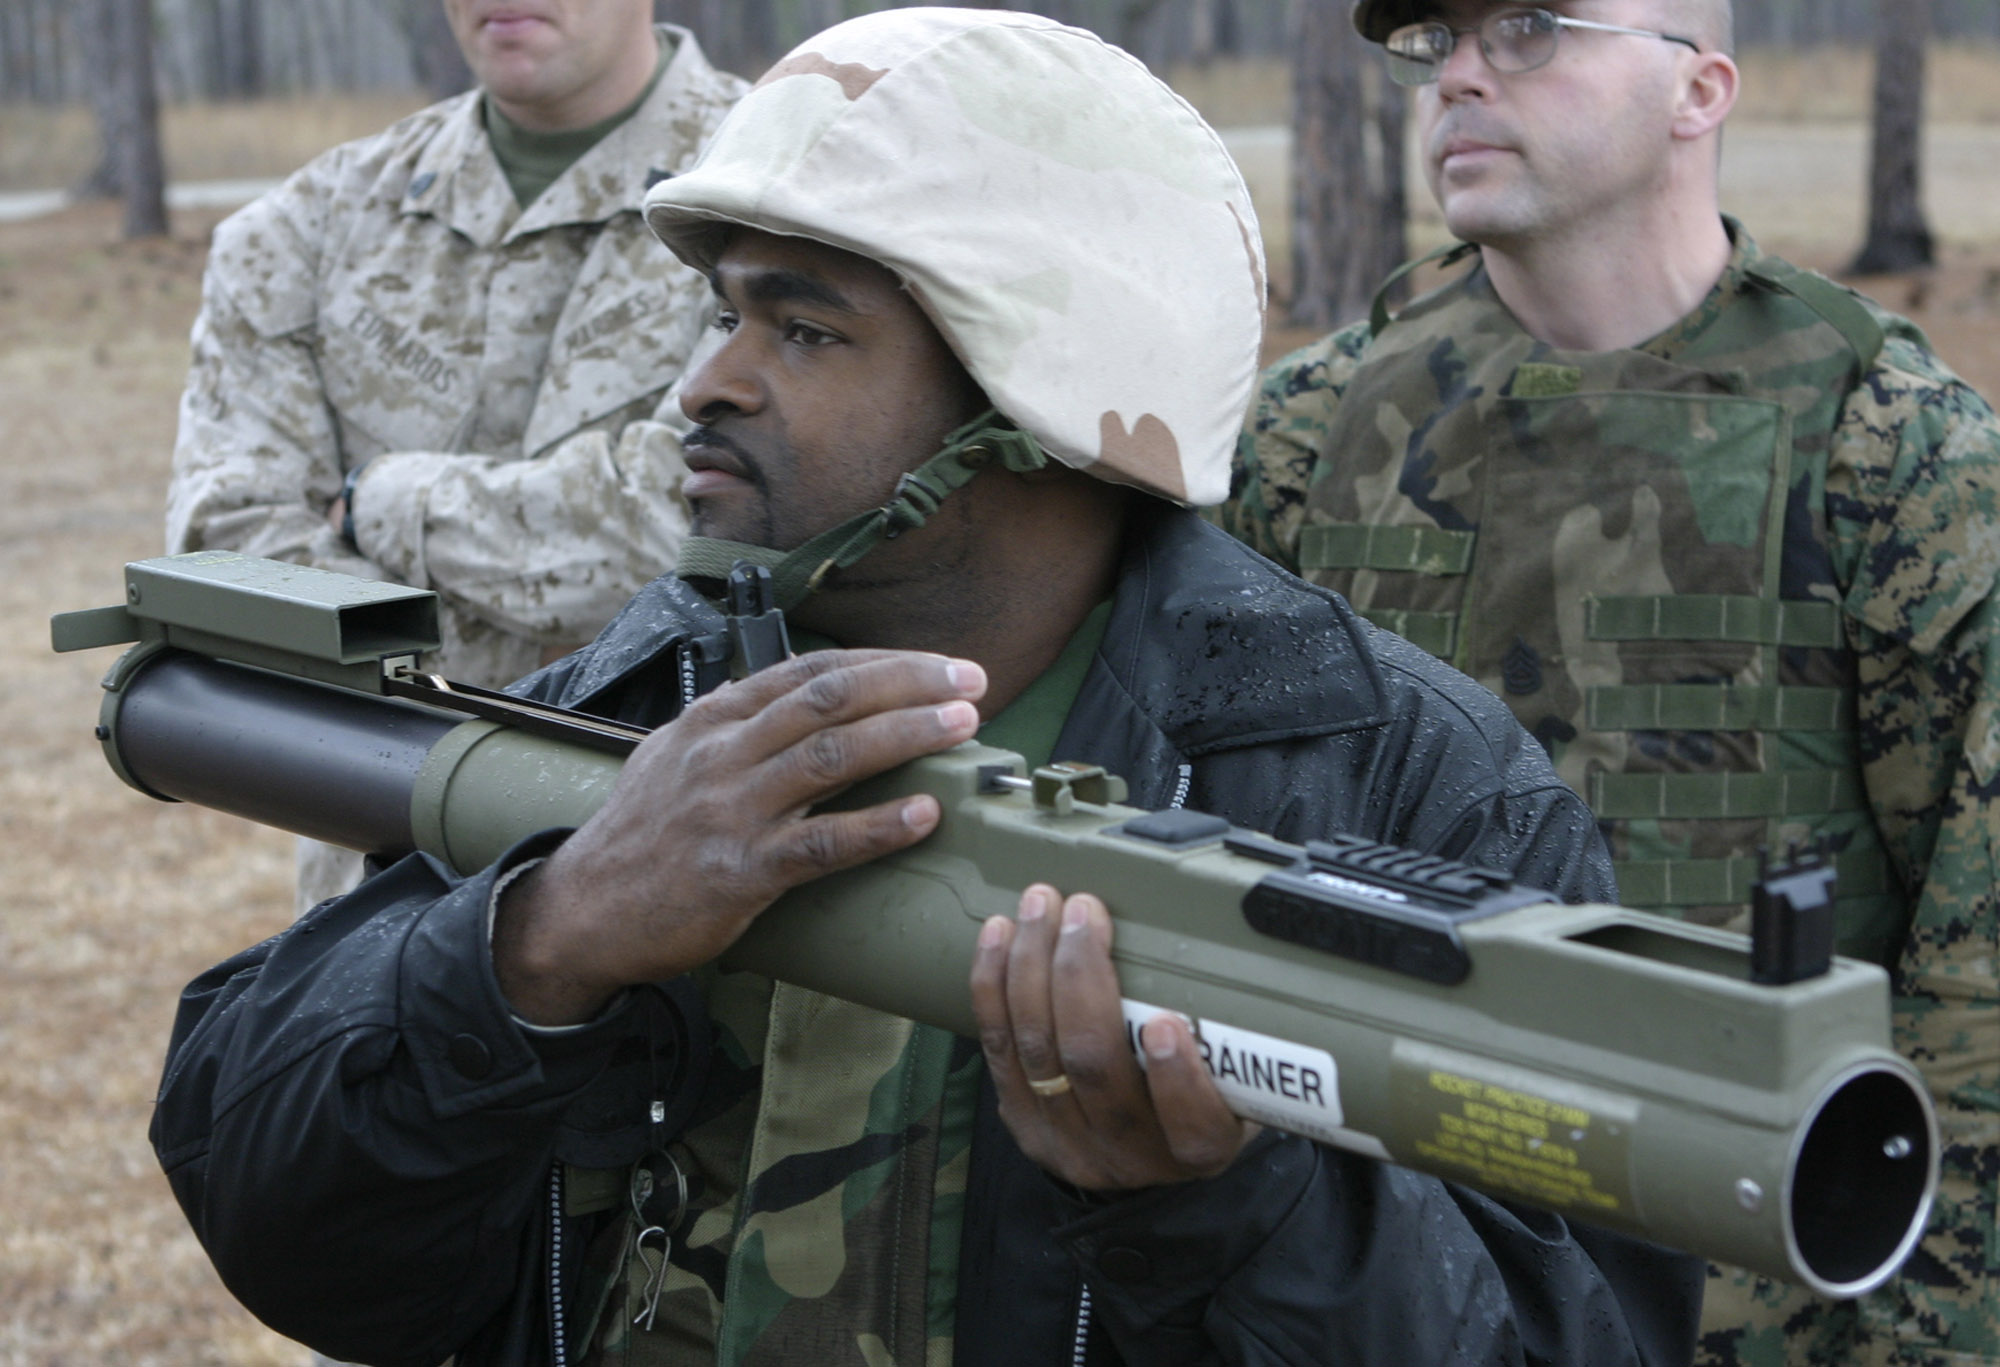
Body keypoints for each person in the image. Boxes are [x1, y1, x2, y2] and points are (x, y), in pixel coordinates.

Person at [151, 10, 1701, 1365]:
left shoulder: (1389, 782)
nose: (708, 382)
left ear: (1043, 404)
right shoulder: (636, 699)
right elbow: (285, 1224)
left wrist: (1229, 1202)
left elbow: (1581, 1331)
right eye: (725, 311)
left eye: (807, 327)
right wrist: (537, 945)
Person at [1220, 2, 2000, 1363]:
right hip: (1377, 1292)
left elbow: (1976, 975)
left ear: (1699, 89)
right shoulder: (1308, 436)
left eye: (1526, 28)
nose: (1456, 72)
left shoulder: (1890, 446)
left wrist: (1925, 1333)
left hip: (1767, 1293)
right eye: (1433, 38)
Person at [164, 0, 745, 912]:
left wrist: (381, 507)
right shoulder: (304, 230)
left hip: (700, 890)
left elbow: (695, 534)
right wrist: (559, 626)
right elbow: (227, 554)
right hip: (380, 893)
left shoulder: (778, 200)